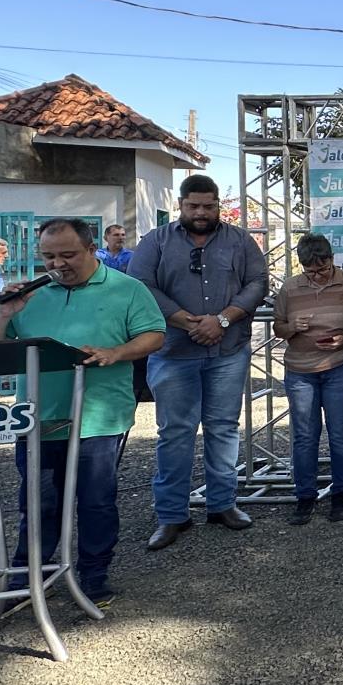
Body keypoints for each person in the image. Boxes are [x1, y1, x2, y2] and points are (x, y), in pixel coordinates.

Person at [0, 218, 166, 604]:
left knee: (96, 500)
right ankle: (27, 579)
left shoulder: (127, 289)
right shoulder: (30, 294)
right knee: (38, 503)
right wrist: (7, 313)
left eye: (68, 255)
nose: (58, 264)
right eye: (49, 256)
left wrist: (116, 352)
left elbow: (154, 335)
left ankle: (94, 575)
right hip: (38, 418)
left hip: (99, 416)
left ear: (93, 250)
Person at [130, 174, 269, 550]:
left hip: (227, 350)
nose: (202, 212)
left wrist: (221, 319)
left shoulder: (240, 240)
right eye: (194, 206)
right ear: (180, 205)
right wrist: (184, 320)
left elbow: (258, 283)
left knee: (223, 428)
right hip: (173, 352)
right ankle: (171, 515)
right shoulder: (155, 241)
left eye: (209, 206)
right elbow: (139, 284)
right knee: (175, 433)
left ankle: (223, 504)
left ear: (218, 205)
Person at [274, 232, 343, 525]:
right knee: (304, 435)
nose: (316, 275)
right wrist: (292, 326)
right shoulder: (290, 287)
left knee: (340, 432)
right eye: (310, 270)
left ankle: (341, 493)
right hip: (300, 370)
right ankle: (305, 496)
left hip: (341, 364)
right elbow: (278, 328)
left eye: (322, 268)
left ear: (332, 259)